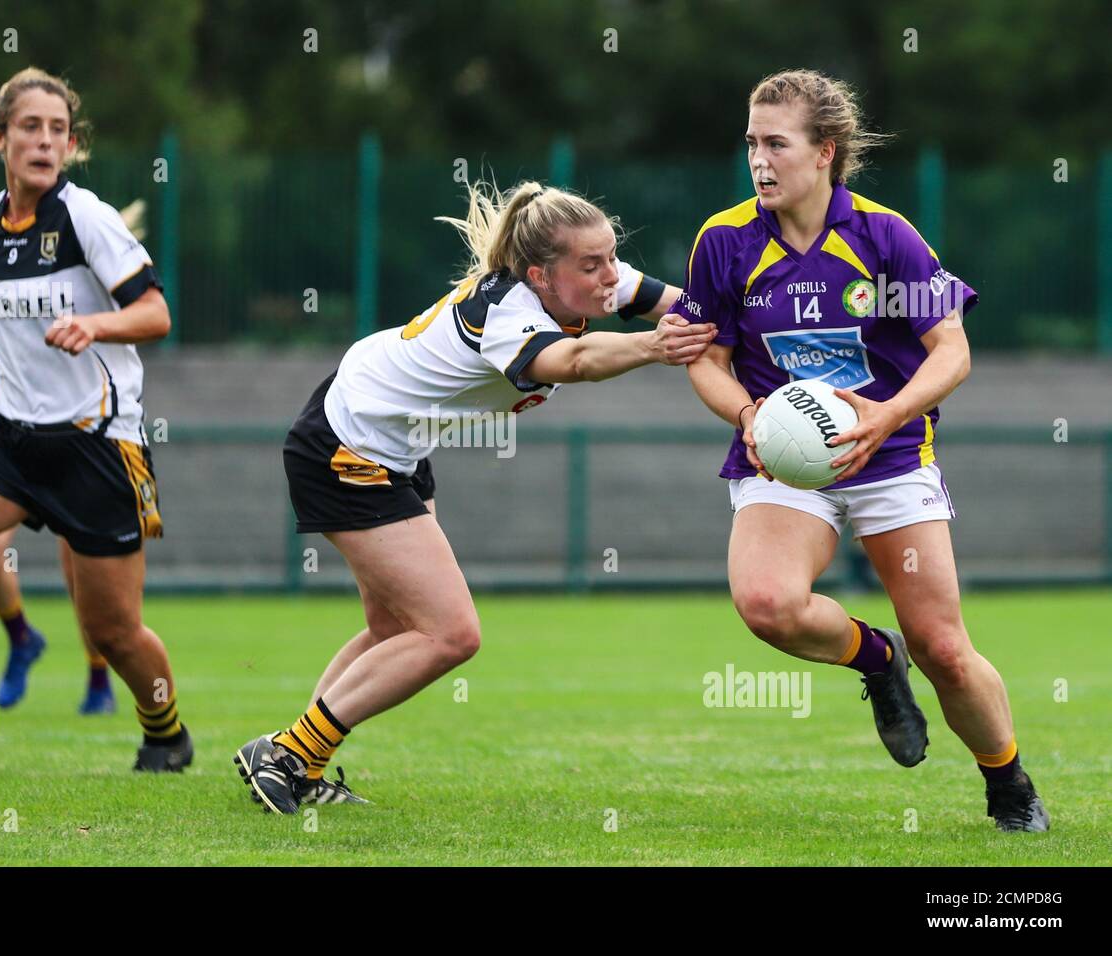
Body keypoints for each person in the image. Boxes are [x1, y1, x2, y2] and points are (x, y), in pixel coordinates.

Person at [234, 179, 716, 813]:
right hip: (347, 445)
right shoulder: (509, 308)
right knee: (451, 634)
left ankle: (297, 760)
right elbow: (569, 361)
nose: (610, 276)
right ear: (541, 275)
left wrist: (759, 319)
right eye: (591, 264)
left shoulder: (586, 278)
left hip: (395, 443)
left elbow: (692, 302)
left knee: (393, 627)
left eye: (610, 257)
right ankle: (289, 753)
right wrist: (652, 347)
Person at [676, 69, 1048, 830]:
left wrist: (888, 414)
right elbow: (704, 358)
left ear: (825, 152)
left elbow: (951, 350)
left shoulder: (884, 235)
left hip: (888, 457)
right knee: (768, 605)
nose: (759, 160)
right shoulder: (724, 241)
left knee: (943, 648)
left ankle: (1008, 781)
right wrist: (748, 412)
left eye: (776, 143)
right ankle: (876, 661)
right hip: (782, 461)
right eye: (751, 143)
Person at [0, 67, 189, 771]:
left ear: (71, 146)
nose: (45, 141)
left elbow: (156, 313)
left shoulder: (87, 218)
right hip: (10, 438)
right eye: (30, 127)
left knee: (112, 632)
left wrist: (94, 325)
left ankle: (165, 730)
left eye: (58, 131)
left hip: (98, 445)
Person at [0, 329, 116, 715]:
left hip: (79, 431)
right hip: (16, 431)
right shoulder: (5, 274)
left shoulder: (81, 277)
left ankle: (99, 680)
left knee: (80, 569)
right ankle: (21, 636)